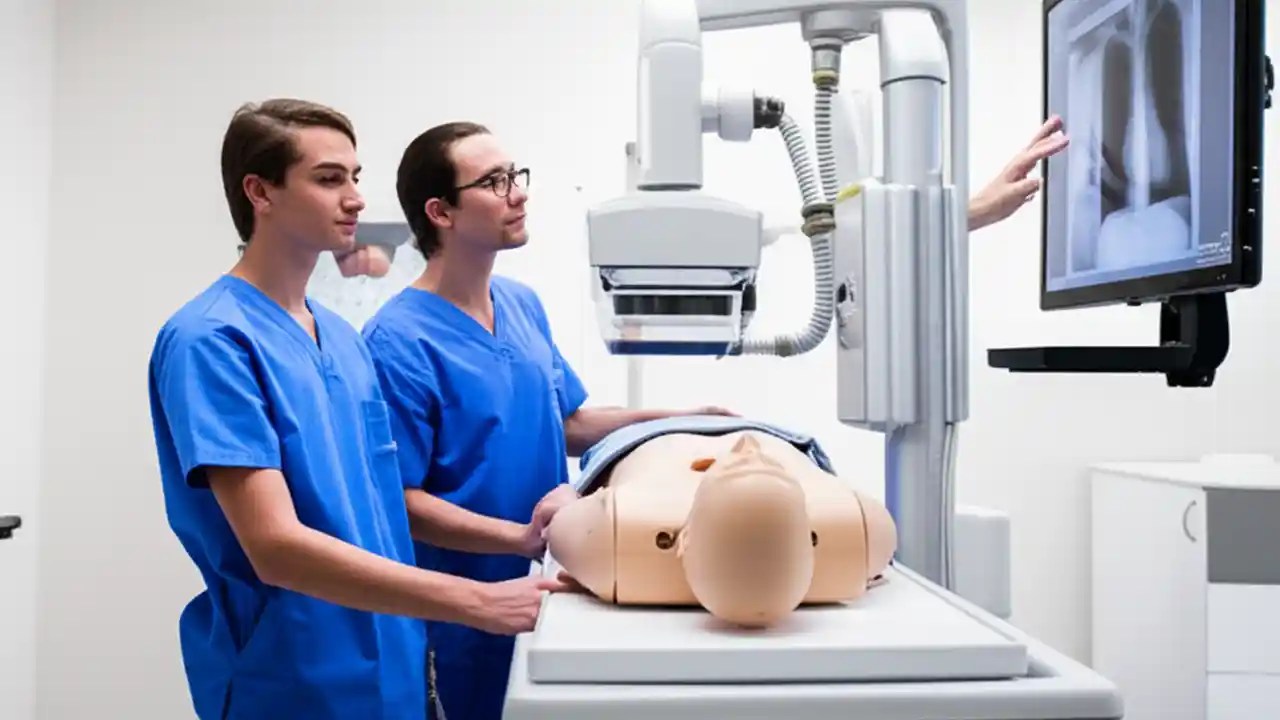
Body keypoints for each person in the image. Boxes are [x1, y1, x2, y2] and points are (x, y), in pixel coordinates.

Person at [361, 115, 1069, 719]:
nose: (516, 195)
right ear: (440, 213)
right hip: (473, 600)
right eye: (492, 183)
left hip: (556, 581)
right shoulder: (400, 340)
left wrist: (681, 417)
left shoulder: (519, 305)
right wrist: (518, 538)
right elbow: (401, 500)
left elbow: (567, 421)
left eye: (516, 175)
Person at [146, 99, 571, 720]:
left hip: (394, 668)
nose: (356, 199)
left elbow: (382, 511)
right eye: (328, 179)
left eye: (354, 176)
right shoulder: (212, 341)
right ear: (259, 192)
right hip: (293, 682)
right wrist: (476, 600)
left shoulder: (344, 341)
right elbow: (275, 546)